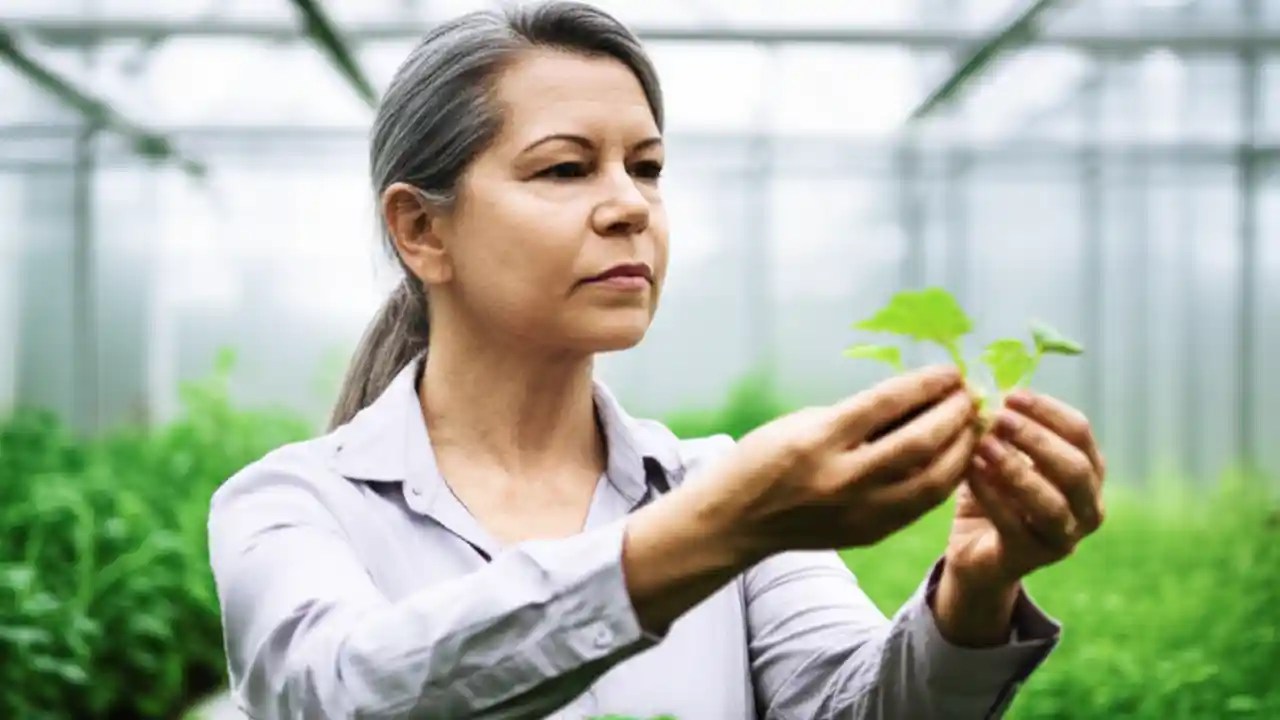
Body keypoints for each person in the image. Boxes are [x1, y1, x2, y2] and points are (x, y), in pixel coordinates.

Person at [206, 2, 1107, 718]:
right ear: (420, 229)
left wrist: (974, 598)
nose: (629, 205)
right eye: (565, 169)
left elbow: (853, 710)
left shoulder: (717, 485)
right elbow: (346, 694)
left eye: (646, 166)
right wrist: (712, 533)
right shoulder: (292, 505)